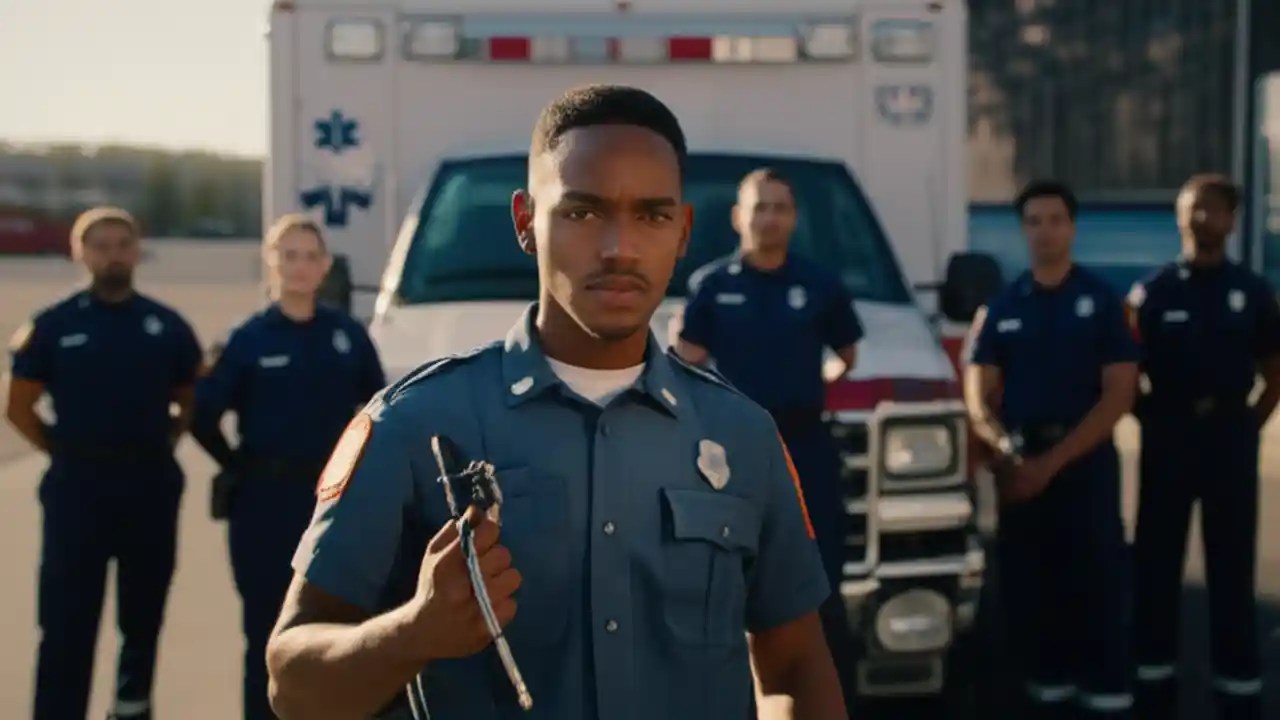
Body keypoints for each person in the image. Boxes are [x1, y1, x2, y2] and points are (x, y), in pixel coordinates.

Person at [263, 84, 848, 720]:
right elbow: (292, 686)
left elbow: (795, 668)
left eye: (651, 216)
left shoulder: (744, 435)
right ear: (525, 222)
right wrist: (412, 632)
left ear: (683, 231)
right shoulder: (413, 424)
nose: (620, 247)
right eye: (583, 212)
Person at [5, 207, 203, 720]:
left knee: (143, 615)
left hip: (149, 486)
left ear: (136, 252)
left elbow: (189, 401)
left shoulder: (167, 327)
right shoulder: (52, 326)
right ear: (79, 253)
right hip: (78, 488)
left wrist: (157, 446)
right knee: (66, 618)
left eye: (122, 245)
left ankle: (131, 709)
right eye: (100, 246)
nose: (113, 255)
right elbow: (19, 407)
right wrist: (64, 450)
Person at [673, 167, 863, 695]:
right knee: (728, 574)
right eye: (760, 207)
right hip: (732, 455)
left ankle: (818, 693)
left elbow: (847, 355)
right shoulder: (712, 286)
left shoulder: (820, 285)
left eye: (780, 208)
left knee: (817, 576)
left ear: (794, 218)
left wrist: (808, 388)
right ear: (738, 217)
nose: (770, 218)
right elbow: (685, 362)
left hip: (804, 446)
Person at [191, 214, 386, 720]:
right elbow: (202, 416)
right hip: (263, 503)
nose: (300, 266)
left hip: (333, 504)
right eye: (289, 255)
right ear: (271, 263)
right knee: (266, 631)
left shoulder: (347, 336)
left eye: (310, 256)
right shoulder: (246, 339)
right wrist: (235, 464)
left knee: (339, 632)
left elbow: (379, 414)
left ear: (325, 267)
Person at [963, 180, 1139, 719]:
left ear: (1072, 227)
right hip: (1021, 469)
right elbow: (977, 396)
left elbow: (1120, 394)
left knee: (1096, 584)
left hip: (1086, 465)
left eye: (1055, 220)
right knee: (1031, 591)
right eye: (1034, 221)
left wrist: (1053, 462)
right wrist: (1007, 451)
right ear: (1023, 230)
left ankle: (1105, 696)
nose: (1045, 231)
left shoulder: (1102, 301)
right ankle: (1046, 695)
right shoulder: (1002, 308)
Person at [1126, 174, 1280, 720]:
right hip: (1167, 439)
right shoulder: (1152, 293)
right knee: (1155, 568)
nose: (1200, 219)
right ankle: (1153, 688)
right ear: (1177, 216)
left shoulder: (1253, 292)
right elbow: (1123, 372)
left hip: (1228, 443)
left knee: (1232, 571)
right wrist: (1151, 417)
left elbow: (1275, 372)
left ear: (1232, 219)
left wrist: (1247, 426)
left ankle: (1238, 691)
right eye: (1191, 208)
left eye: (1211, 209)